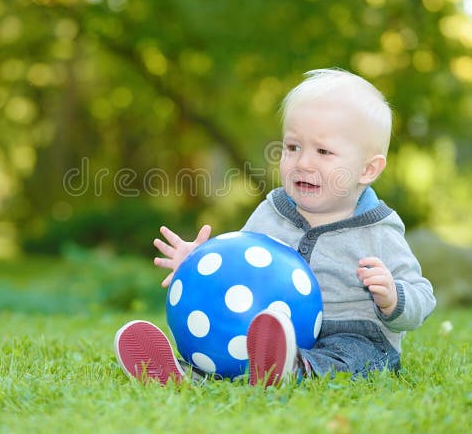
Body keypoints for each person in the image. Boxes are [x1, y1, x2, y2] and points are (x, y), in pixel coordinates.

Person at [114, 68, 436, 386]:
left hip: (352, 335)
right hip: (274, 330)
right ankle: (186, 372)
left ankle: (293, 369)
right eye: (293, 147)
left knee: (351, 358)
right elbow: (240, 266)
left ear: (367, 169)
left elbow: (422, 296)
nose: (303, 162)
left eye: (323, 151)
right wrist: (198, 261)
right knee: (232, 341)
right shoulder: (272, 211)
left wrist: (394, 297)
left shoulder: (378, 228)